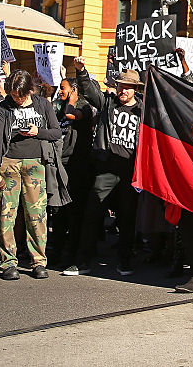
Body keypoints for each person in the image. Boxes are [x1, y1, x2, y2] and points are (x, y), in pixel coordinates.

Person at [65, 61, 142, 277]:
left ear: (135, 89)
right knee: (93, 214)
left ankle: (125, 262)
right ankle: (83, 262)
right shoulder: (108, 103)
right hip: (106, 168)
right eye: (119, 85)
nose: (122, 90)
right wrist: (81, 71)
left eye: (127, 87)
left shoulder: (142, 109)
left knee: (127, 218)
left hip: (129, 171)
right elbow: (89, 90)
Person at [0, 69, 61, 280]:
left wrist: (37, 132)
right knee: (6, 212)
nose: (17, 100)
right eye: (13, 96)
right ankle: (8, 262)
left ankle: (38, 261)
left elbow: (56, 132)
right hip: (9, 163)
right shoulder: (2, 108)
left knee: (36, 214)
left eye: (21, 96)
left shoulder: (43, 105)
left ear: (30, 90)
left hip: (35, 163)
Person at [50, 77, 94, 266]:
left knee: (74, 211)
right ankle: (57, 250)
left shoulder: (83, 106)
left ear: (74, 90)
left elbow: (71, 115)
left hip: (77, 166)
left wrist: (73, 101)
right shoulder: (58, 106)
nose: (60, 91)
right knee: (58, 210)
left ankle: (73, 250)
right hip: (60, 163)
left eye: (63, 88)